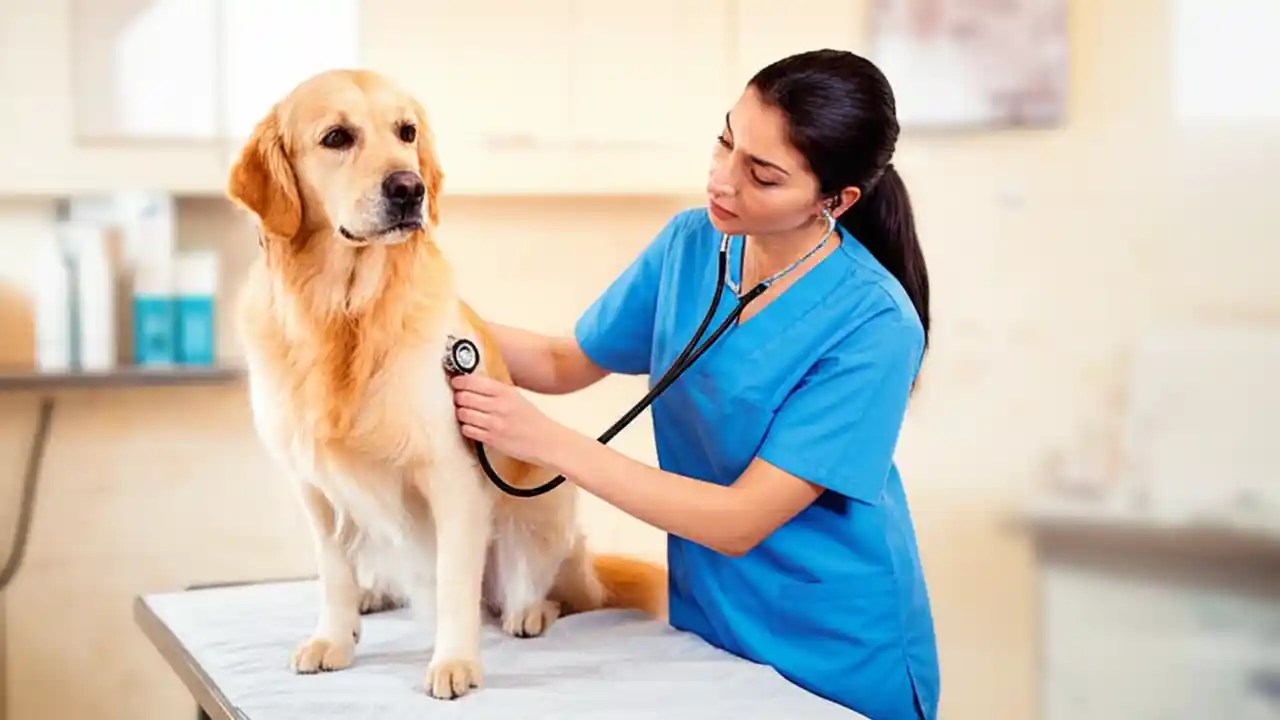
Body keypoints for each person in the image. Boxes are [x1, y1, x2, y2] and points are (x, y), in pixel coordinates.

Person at [450, 48, 939, 720]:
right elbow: (567, 363)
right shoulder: (690, 244)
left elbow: (741, 520)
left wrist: (547, 442)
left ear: (835, 200)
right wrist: (430, 316)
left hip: (834, 648)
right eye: (725, 142)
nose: (723, 181)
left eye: (762, 176)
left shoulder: (874, 324)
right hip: (712, 625)